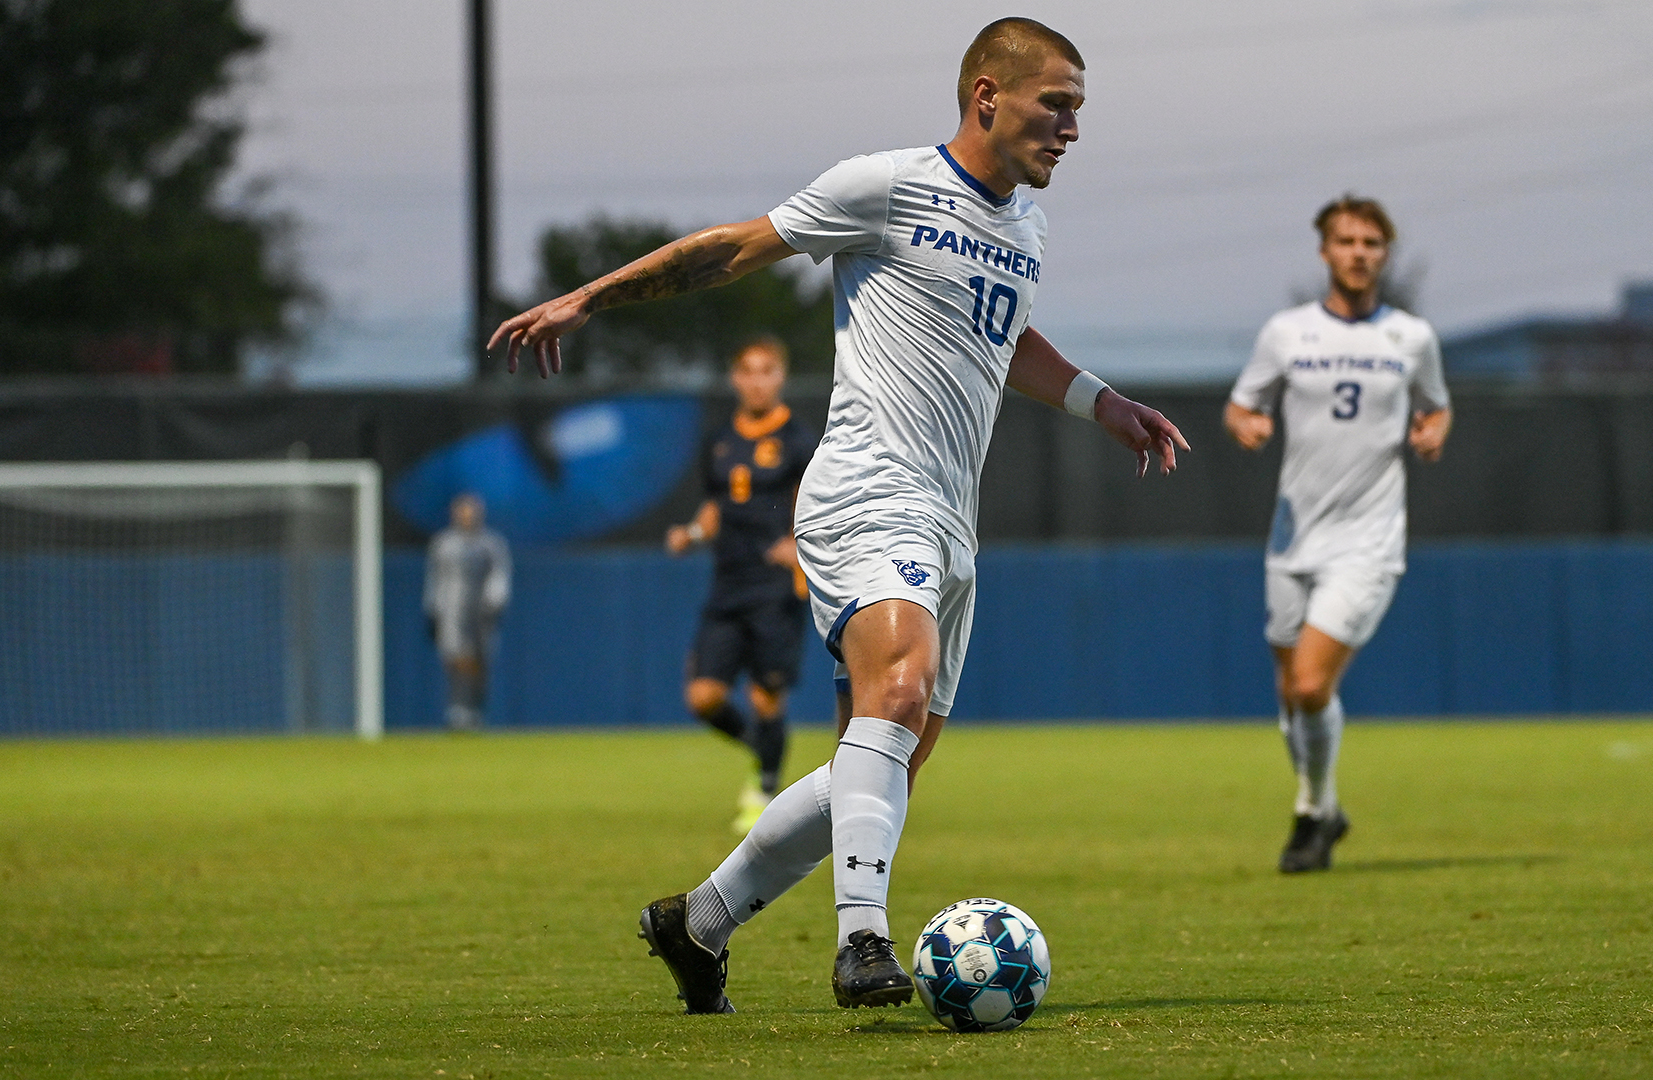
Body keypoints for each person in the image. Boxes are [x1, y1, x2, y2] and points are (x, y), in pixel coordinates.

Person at [490, 16, 1188, 1015]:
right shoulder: (887, 185)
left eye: (1080, 108)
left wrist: (1101, 403)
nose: (1072, 127)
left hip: (951, 521)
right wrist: (585, 302)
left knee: (883, 755)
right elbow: (730, 250)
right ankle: (864, 941)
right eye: (1057, 104)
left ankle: (700, 924)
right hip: (867, 488)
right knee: (894, 701)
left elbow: (1006, 333)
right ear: (988, 95)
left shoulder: (1025, 225)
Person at [1222, 196, 1452, 873]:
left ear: (1385, 254)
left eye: (1372, 243)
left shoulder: (1410, 338)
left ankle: (1312, 814)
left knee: (1313, 685)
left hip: (1368, 540)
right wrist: (1247, 426)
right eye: (1347, 241)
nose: (1359, 253)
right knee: (1291, 693)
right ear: (1325, 251)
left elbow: (1437, 409)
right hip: (1294, 539)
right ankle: (1324, 806)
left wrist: (1432, 433)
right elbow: (1243, 405)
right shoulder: (1288, 333)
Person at [666, 335, 818, 834]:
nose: (757, 380)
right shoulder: (720, 440)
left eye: (767, 370)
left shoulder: (797, 440)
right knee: (704, 697)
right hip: (727, 586)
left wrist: (802, 543)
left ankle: (764, 786)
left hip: (775, 587)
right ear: (736, 378)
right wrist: (690, 533)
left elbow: (815, 505)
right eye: (748, 371)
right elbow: (716, 507)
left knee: (765, 696)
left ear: (781, 377)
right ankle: (761, 747)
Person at [423, 492, 511, 731]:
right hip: (452, 611)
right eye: (462, 511)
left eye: (470, 511)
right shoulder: (444, 543)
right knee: (454, 659)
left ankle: (474, 711)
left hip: (481, 613)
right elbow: (436, 578)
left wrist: (494, 602)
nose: (466, 516)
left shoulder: (491, 544)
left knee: (480, 662)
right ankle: (457, 711)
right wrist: (432, 608)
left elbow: (499, 576)